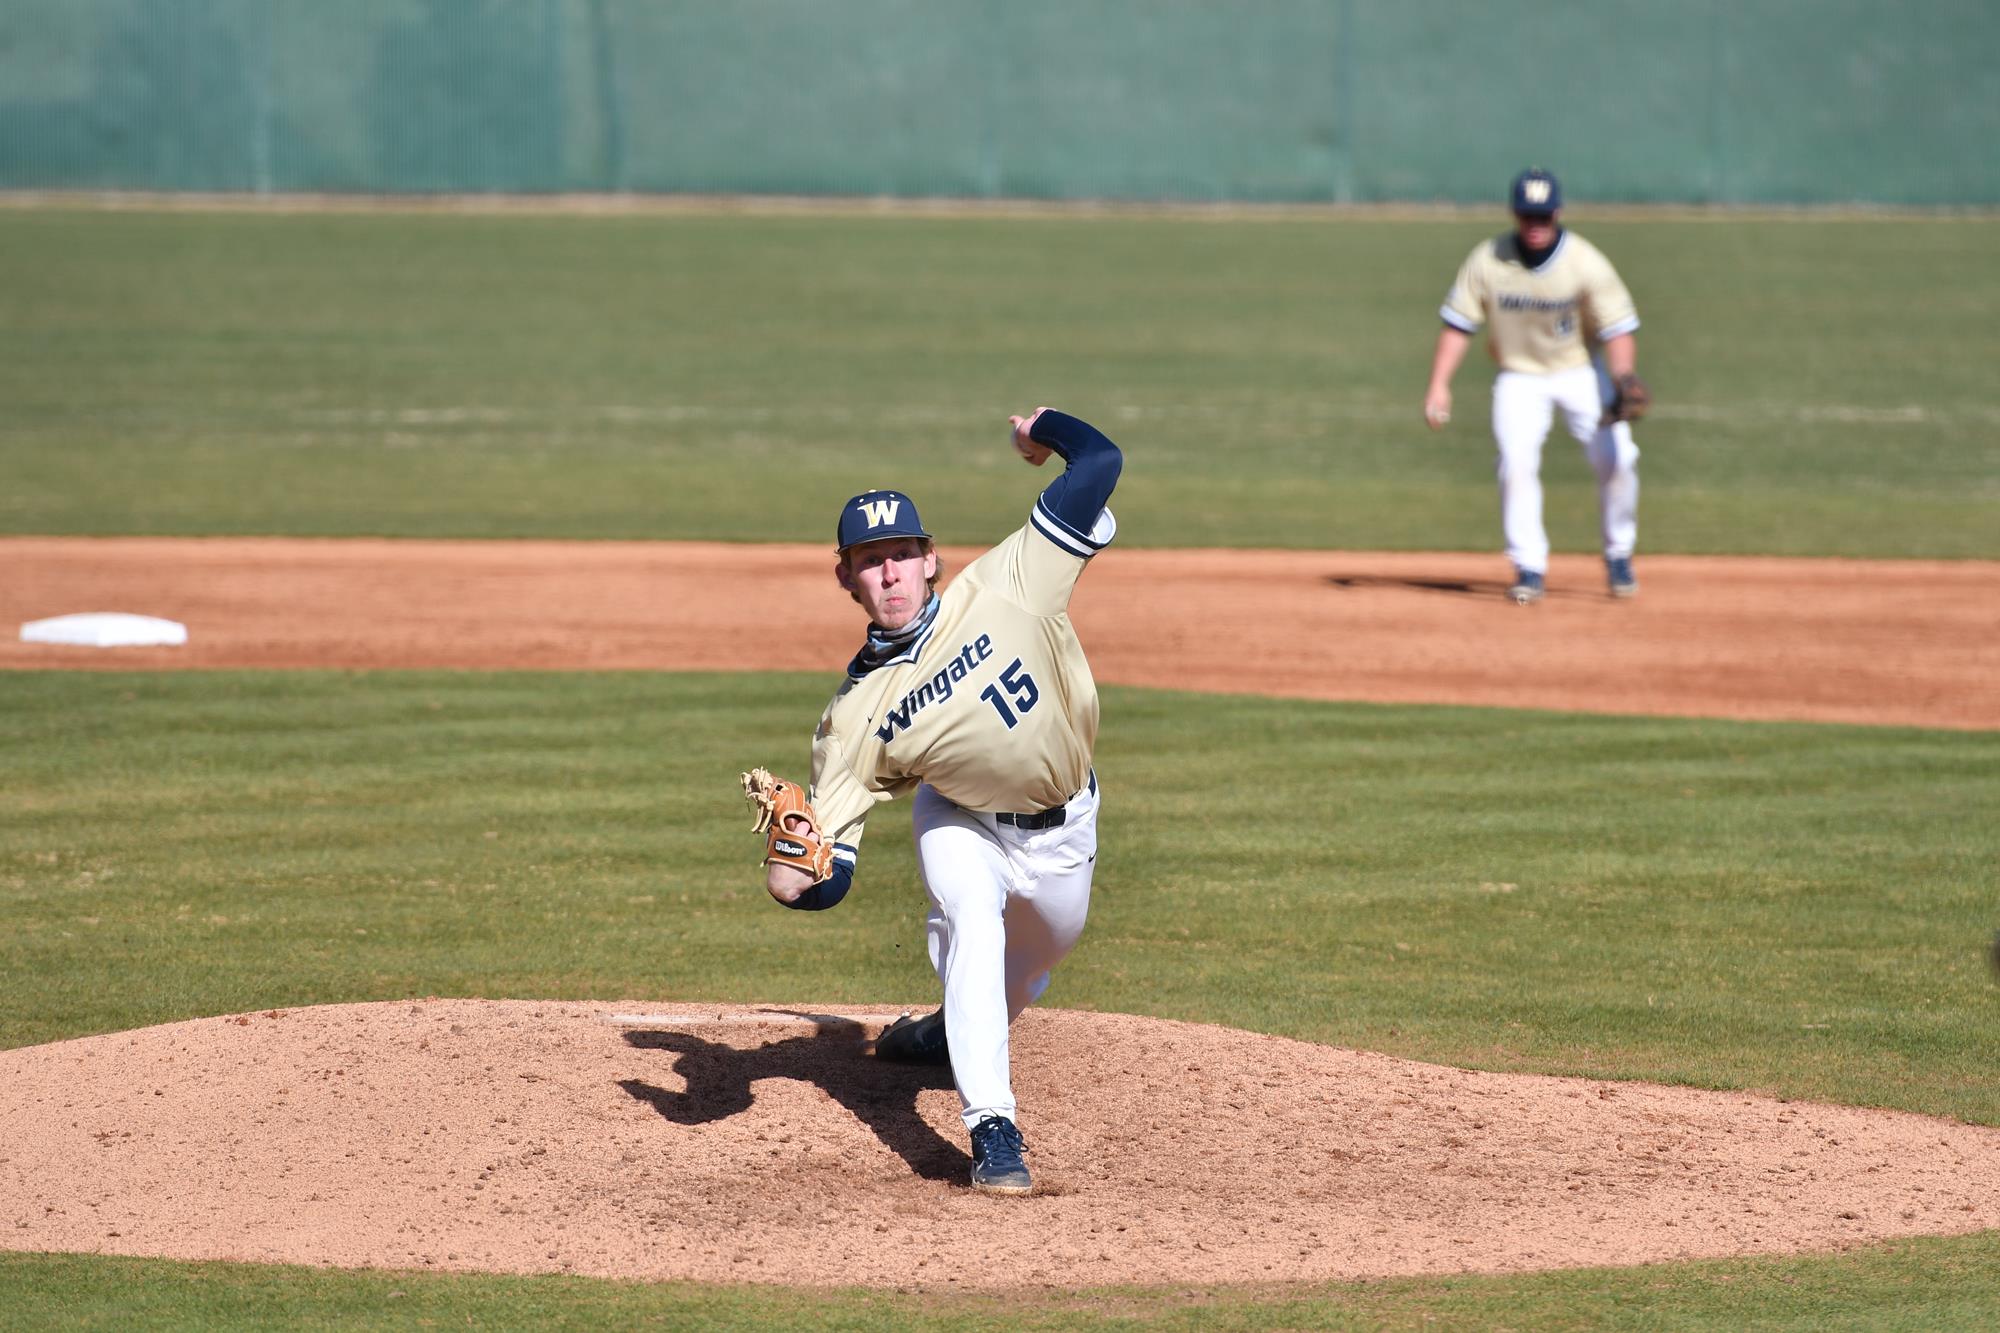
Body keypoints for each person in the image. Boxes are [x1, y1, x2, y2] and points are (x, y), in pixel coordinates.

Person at [748, 406, 1121, 1196]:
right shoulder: (853, 719)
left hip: (1066, 830)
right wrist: (793, 873)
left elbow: (1100, 463)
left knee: (1026, 969)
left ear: (930, 560)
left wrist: (1041, 429)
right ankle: (994, 1131)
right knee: (971, 923)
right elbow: (828, 875)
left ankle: (948, 1031)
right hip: (962, 822)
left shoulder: (1009, 580)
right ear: (846, 578)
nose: (888, 573)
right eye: (869, 560)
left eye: (901, 555)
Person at [1422, 167, 1646, 604]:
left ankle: (1619, 553)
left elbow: (1617, 328)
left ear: (1557, 213)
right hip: (1519, 376)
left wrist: (1623, 376)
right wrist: (1438, 385)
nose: (1535, 224)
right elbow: (1458, 325)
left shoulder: (1585, 261)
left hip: (1579, 372)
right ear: (1515, 214)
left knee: (1617, 458)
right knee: (1515, 463)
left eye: (1543, 216)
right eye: (1528, 215)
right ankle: (1529, 566)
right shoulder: (1488, 260)